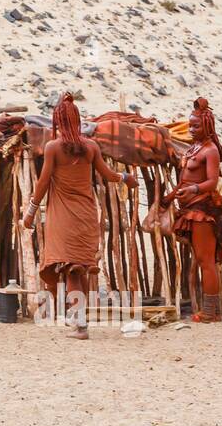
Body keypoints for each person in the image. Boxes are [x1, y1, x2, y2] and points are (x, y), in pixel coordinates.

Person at [23, 93, 137, 339]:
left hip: (64, 217)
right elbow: (108, 174)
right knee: (80, 267)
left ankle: (80, 326)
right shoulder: (91, 147)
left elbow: (42, 184)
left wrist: (30, 212)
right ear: (77, 121)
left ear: (57, 121)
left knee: (72, 269)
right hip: (86, 215)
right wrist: (126, 178)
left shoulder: (53, 148)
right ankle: (78, 319)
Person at [172, 97, 222, 322]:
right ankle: (211, 309)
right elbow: (184, 178)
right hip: (190, 205)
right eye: (190, 125)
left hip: (203, 209)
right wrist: (171, 197)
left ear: (208, 127)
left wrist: (193, 189)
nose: (191, 129)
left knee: (206, 260)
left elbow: (211, 181)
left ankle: (211, 311)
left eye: (196, 126)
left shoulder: (209, 150)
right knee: (202, 259)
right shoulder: (194, 147)